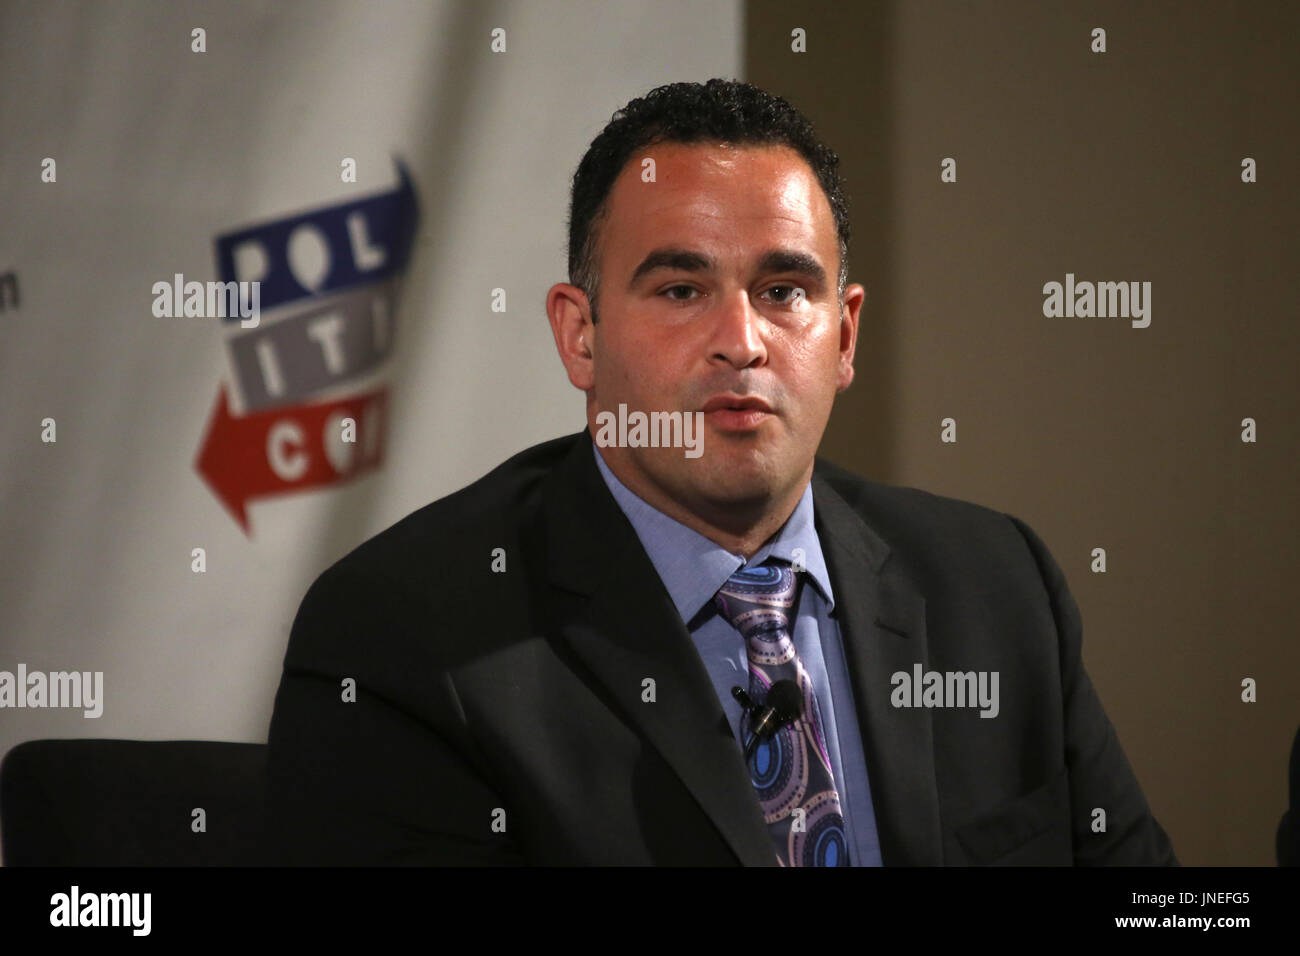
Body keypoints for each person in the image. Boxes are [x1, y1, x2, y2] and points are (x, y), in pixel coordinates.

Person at [266, 78, 1177, 866]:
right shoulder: (405, 639)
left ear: (845, 335)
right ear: (579, 335)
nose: (742, 342)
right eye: (680, 289)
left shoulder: (998, 588)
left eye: (784, 292)